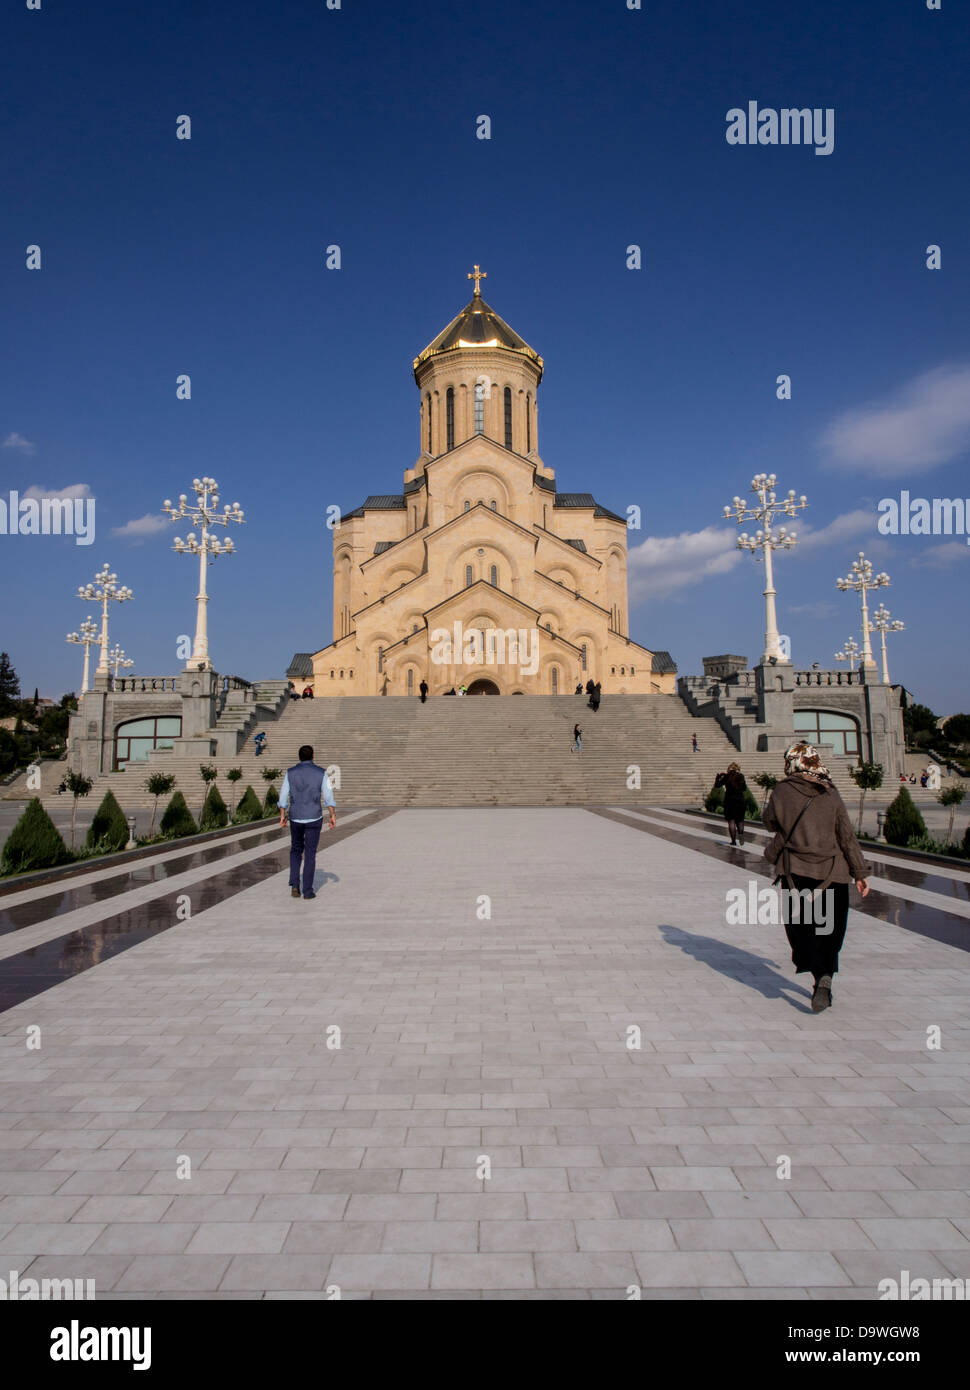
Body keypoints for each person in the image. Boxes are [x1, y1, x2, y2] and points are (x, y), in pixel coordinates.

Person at [762, 741, 870, 1014]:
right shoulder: (829, 792)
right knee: (829, 932)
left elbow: (769, 822)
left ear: (791, 762)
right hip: (832, 873)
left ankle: (818, 973)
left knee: (801, 930)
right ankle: (826, 978)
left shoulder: (782, 790)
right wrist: (859, 872)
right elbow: (845, 834)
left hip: (796, 872)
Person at [279, 744, 336, 900]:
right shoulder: (321, 773)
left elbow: (283, 796)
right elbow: (328, 796)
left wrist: (282, 814)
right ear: (312, 756)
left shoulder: (291, 773)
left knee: (296, 850)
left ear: (299, 757)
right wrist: (332, 814)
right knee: (310, 852)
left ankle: (295, 884)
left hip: (296, 817)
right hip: (314, 817)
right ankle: (308, 890)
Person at [714, 762, 747, 846]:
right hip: (740, 800)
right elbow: (744, 788)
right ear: (737, 769)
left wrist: (718, 778)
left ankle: (733, 841)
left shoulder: (726, 776)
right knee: (740, 820)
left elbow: (717, 785)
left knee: (731, 821)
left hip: (729, 801)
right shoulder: (741, 776)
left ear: (729, 768)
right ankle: (741, 834)